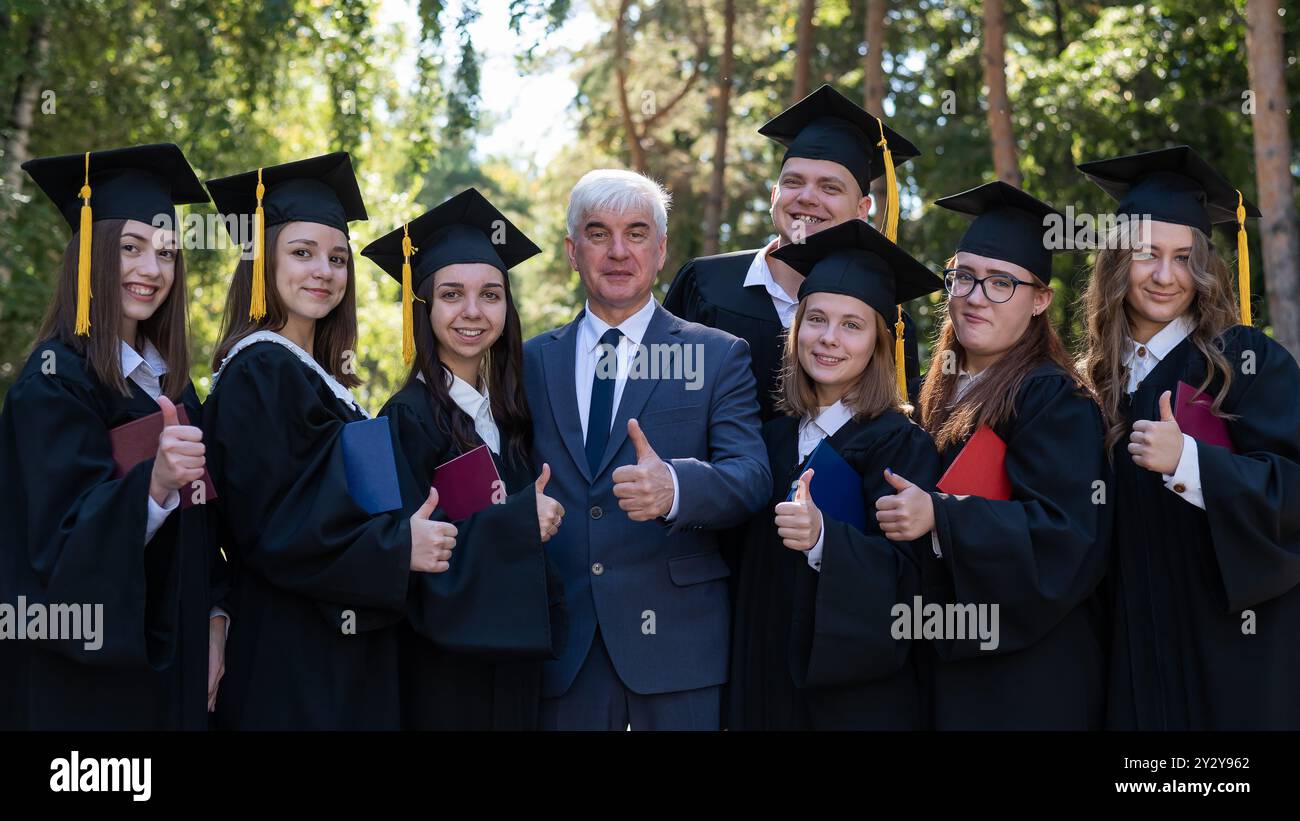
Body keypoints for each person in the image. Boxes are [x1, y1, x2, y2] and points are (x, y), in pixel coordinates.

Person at [203, 153, 456, 729]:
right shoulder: (260, 369)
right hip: (292, 659)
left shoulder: (316, 376)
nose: (324, 271)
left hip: (337, 646)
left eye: (338, 258)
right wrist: (396, 548)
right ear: (261, 259)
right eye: (302, 252)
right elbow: (273, 526)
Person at [522, 168, 770, 730]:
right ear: (571, 250)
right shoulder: (530, 361)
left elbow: (752, 474)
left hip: (679, 652)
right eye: (597, 232)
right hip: (564, 655)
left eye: (636, 233)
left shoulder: (715, 355)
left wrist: (675, 487)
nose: (617, 251)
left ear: (660, 252)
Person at [0, 143, 226, 730]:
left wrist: (215, 619)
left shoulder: (173, 388)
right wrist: (151, 485)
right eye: (130, 248)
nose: (151, 271)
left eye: (167, 253)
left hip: (173, 669)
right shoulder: (53, 382)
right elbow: (50, 548)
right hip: (84, 690)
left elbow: (204, 528)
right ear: (91, 256)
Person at [1077, 145, 1300, 729]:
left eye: (1184, 257)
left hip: (1234, 651)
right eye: (1148, 254)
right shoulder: (1091, 385)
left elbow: (1295, 491)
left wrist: (1192, 464)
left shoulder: (1244, 362)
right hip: (1129, 652)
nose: (1166, 276)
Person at [881, 181, 1112, 729]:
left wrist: (942, 515)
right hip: (948, 660)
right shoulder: (931, 389)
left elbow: (1068, 535)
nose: (975, 295)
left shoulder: (1052, 396)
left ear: (1040, 300)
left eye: (1001, 282)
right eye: (963, 276)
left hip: (1028, 680)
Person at [363, 188, 567, 730]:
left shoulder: (514, 415)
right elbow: (402, 556)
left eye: (491, 295)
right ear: (422, 306)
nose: (473, 312)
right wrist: (520, 522)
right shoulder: (405, 417)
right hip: (443, 676)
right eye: (452, 294)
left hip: (514, 665)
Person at [729, 219, 943, 730]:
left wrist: (826, 540)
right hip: (763, 682)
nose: (829, 339)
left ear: (879, 344)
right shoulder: (769, 437)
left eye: (852, 325)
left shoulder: (900, 444)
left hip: (857, 702)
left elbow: (914, 583)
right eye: (816, 319)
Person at [665, 85, 924, 422]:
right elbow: (660, 401)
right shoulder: (706, 285)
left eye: (829, 187)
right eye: (794, 182)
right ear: (775, 194)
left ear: (862, 209)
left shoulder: (886, 319)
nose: (807, 197)